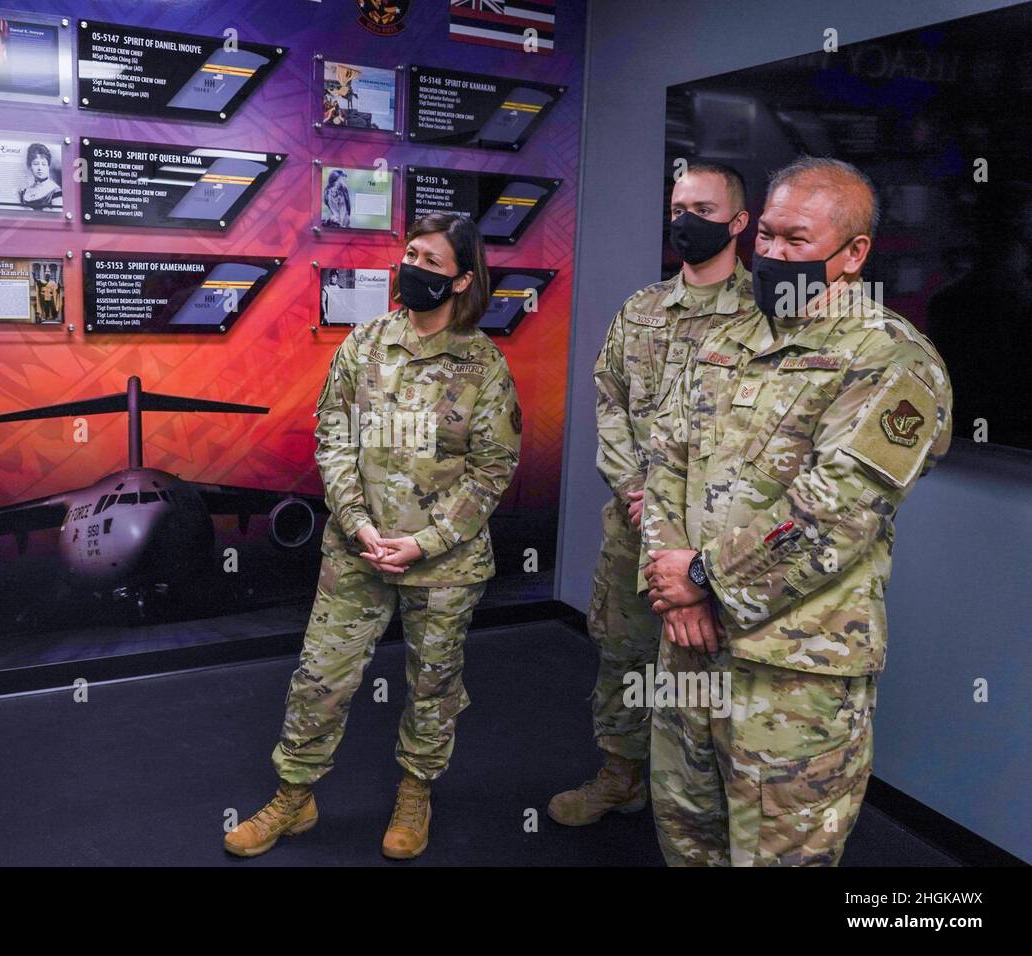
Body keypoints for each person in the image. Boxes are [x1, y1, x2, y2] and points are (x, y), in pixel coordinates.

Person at [640, 156, 953, 866]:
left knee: (780, 856)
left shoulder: (893, 361)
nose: (773, 253)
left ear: (854, 254)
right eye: (768, 236)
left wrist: (705, 577)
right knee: (686, 834)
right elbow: (664, 461)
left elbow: (837, 510)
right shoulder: (726, 336)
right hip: (689, 647)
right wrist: (673, 587)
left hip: (794, 673)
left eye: (797, 240)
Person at [224, 212, 522, 860]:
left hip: (443, 562)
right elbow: (332, 435)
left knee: (433, 684)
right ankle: (293, 796)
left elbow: (494, 465)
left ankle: (416, 794)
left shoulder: (482, 365)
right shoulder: (365, 344)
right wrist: (357, 521)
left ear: (462, 279)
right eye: (409, 253)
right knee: (320, 676)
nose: (411, 267)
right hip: (357, 550)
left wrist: (430, 539)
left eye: (430, 261)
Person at [548, 162, 755, 827]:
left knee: (707, 671)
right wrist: (637, 490)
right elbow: (608, 399)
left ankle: (706, 806)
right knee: (623, 653)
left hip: (710, 546)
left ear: (739, 222)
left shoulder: (767, 317)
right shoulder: (641, 310)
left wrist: (677, 515)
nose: (685, 220)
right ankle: (620, 776)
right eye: (677, 206)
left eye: (702, 207)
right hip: (633, 529)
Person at [18, 143, 61, 211]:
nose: (40, 168)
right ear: (30, 166)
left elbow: (58, 217)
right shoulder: (24, 192)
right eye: (36, 164)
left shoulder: (55, 191)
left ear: (48, 166)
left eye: (43, 164)